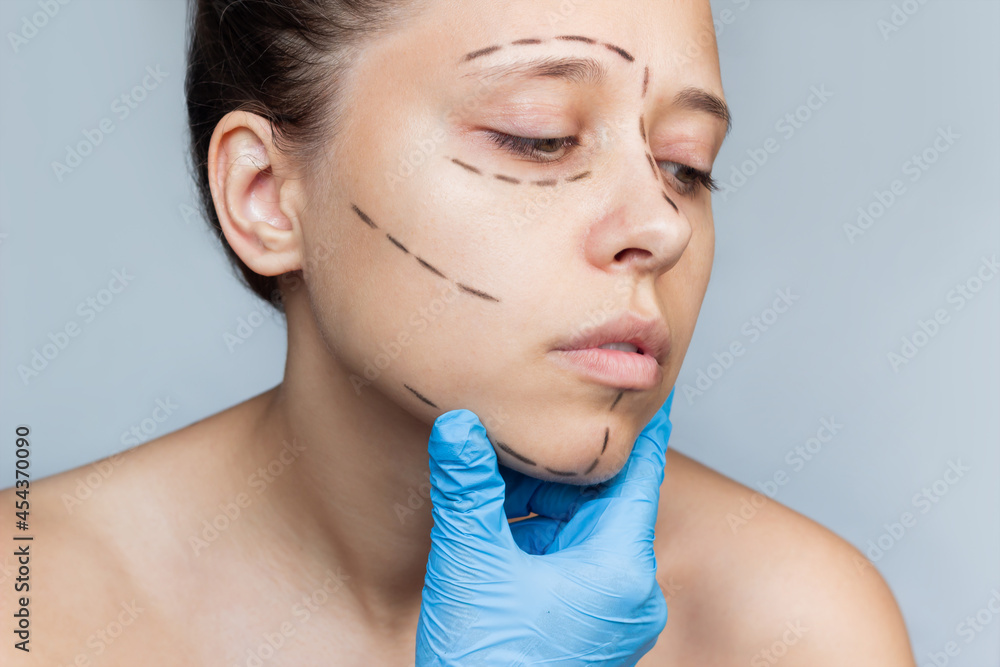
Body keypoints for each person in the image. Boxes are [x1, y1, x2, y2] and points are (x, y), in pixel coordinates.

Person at [0, 0, 917, 664]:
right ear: (266, 196)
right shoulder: (29, 604)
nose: (661, 224)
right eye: (540, 136)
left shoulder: (794, 626)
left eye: (687, 165)